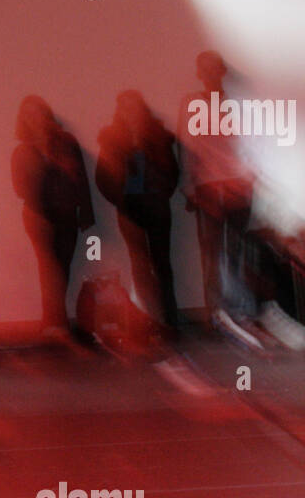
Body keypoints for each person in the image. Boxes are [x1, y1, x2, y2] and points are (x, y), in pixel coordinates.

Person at [179, 51, 256, 333]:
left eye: (215, 69)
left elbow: (252, 145)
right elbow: (188, 147)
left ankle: (239, 311)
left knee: (236, 252)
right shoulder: (193, 104)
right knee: (211, 254)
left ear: (222, 71)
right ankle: (216, 315)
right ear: (200, 73)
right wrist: (192, 189)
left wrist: (247, 184)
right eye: (205, 69)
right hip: (209, 190)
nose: (210, 74)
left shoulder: (240, 105)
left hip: (238, 189)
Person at [95, 92, 181, 338]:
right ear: (119, 111)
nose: (130, 112)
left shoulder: (157, 135)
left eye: (134, 107)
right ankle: (150, 320)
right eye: (125, 108)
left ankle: (169, 321)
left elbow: (173, 171)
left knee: (162, 265)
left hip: (156, 206)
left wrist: (162, 194)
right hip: (129, 209)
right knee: (140, 267)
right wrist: (120, 200)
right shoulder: (112, 139)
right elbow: (102, 177)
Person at [11, 96, 94, 342]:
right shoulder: (23, 150)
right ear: (22, 119)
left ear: (46, 113)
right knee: (49, 270)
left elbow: (82, 178)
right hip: (38, 217)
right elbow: (19, 188)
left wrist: (86, 212)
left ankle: (52, 321)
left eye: (37, 112)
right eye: (27, 114)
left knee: (62, 268)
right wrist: (46, 170)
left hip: (66, 213)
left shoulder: (66, 142)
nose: (33, 118)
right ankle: (56, 323)